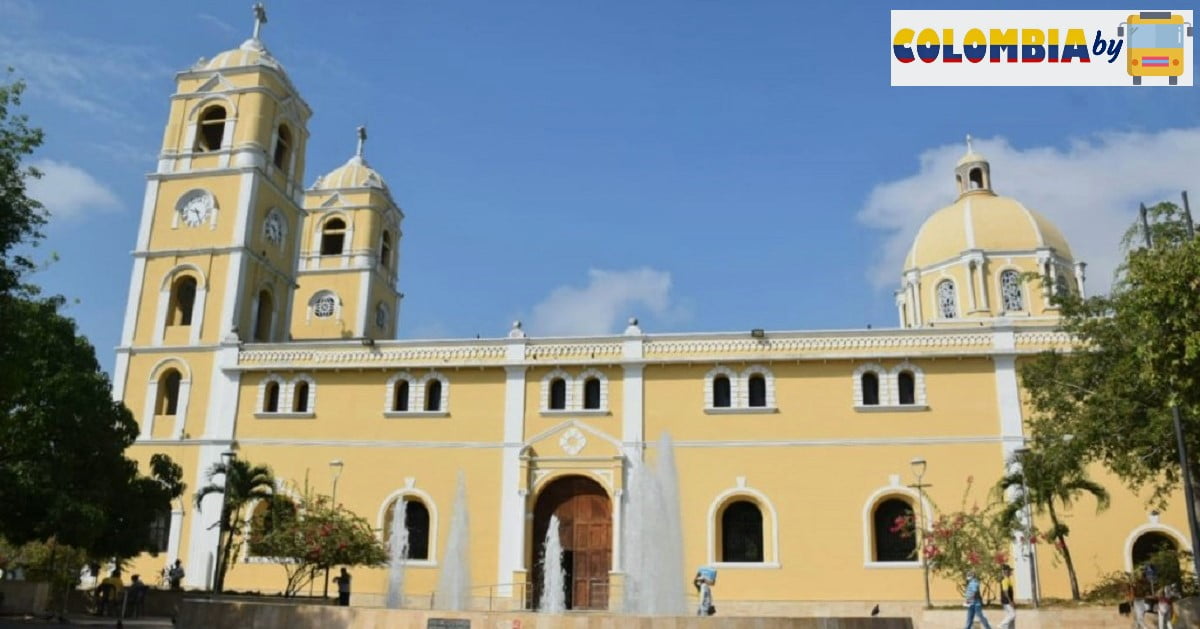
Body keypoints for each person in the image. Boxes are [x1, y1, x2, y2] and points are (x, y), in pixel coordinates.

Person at [997, 565, 1015, 629]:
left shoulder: (1008, 579)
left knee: (1009, 616)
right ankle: (1001, 625)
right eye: (1010, 570)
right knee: (1012, 615)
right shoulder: (1005, 580)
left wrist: (1012, 600)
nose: (1011, 572)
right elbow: (1005, 592)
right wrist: (1010, 601)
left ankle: (1006, 627)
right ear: (1006, 571)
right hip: (1006, 601)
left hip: (1007, 601)